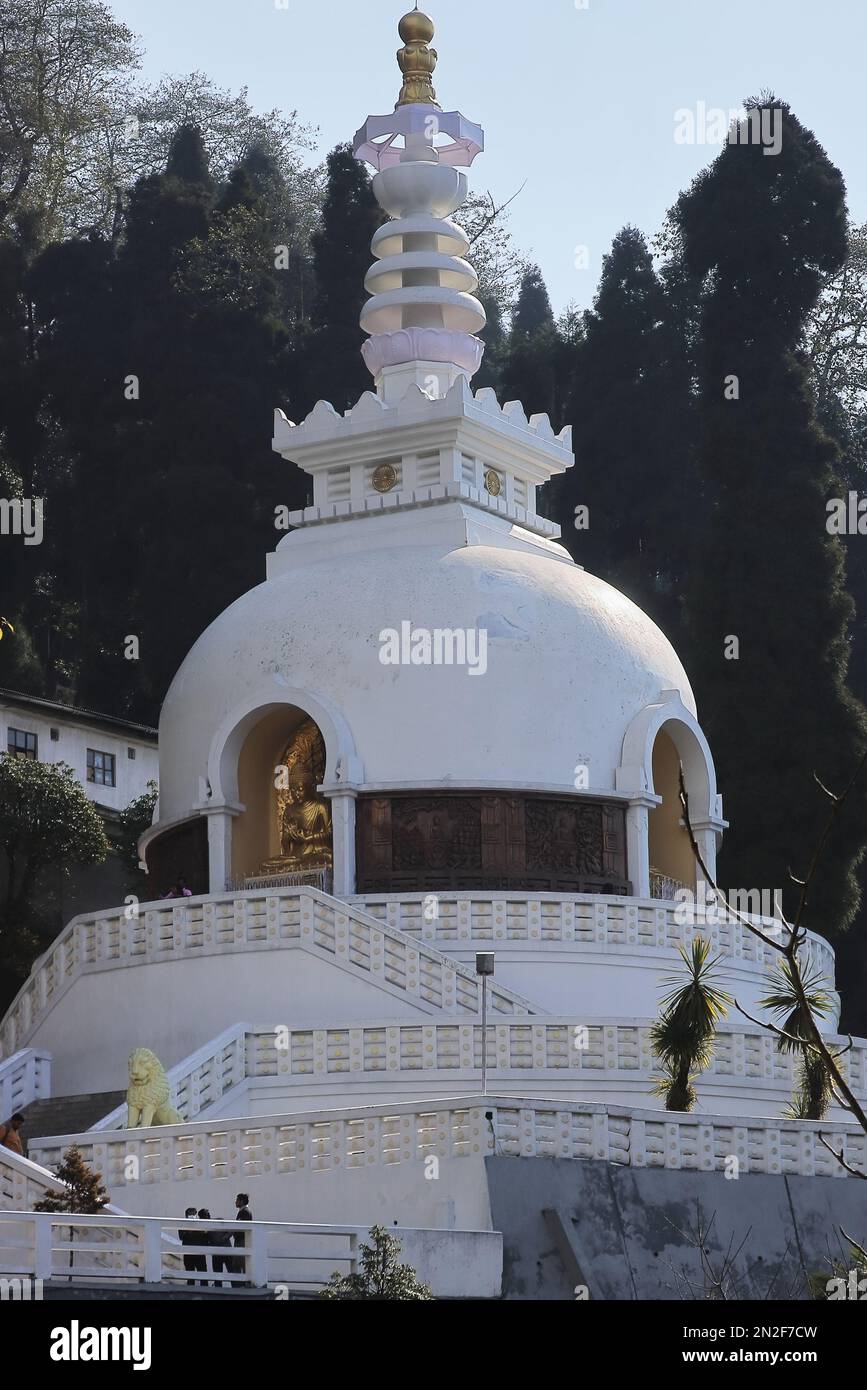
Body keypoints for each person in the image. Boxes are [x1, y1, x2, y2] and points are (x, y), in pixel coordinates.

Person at [231, 1193, 253, 1287]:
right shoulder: (244, 1212)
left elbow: (239, 1227)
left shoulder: (245, 1212)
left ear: (242, 1201)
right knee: (239, 1264)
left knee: (239, 1264)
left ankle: (241, 1285)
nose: (235, 1202)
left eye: (237, 1200)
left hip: (242, 1241)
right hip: (241, 1241)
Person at [178, 1208, 200, 1286]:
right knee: (190, 1273)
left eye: (194, 1214)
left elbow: (203, 1236)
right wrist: (188, 1230)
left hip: (199, 1253)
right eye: (191, 1214)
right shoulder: (182, 1224)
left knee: (202, 1272)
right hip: (188, 1252)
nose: (193, 1216)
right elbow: (181, 1237)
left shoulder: (200, 1224)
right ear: (186, 1216)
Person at [196, 1209, 215, 1287]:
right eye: (208, 1214)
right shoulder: (198, 1225)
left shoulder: (210, 1224)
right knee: (201, 1270)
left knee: (203, 1271)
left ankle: (205, 1286)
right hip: (197, 1251)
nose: (209, 1216)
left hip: (202, 1251)